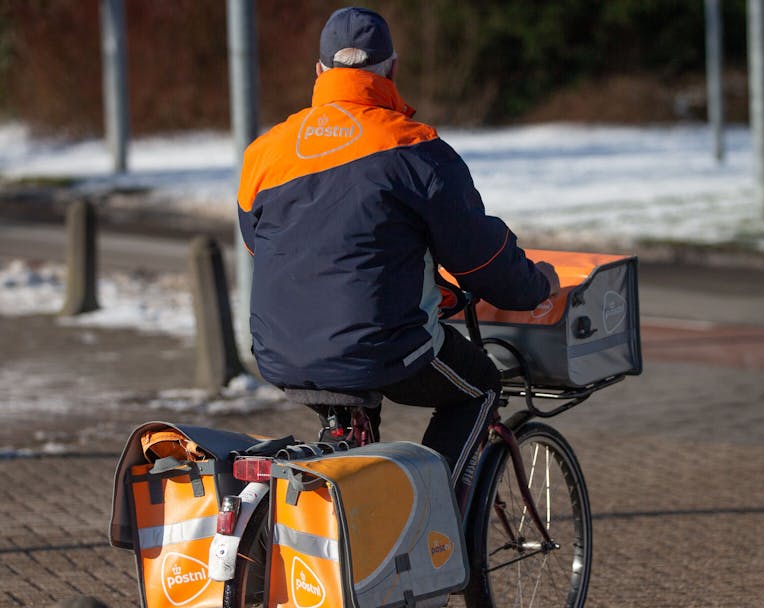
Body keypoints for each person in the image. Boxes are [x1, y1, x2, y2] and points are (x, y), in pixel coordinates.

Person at [238, 6, 558, 486]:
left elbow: (262, 247)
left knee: (357, 449)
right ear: (391, 68)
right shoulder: (415, 149)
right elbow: (483, 258)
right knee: (480, 388)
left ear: (320, 71)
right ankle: (435, 515)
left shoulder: (265, 152)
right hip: (382, 347)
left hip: (281, 352)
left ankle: (368, 528)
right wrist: (536, 288)